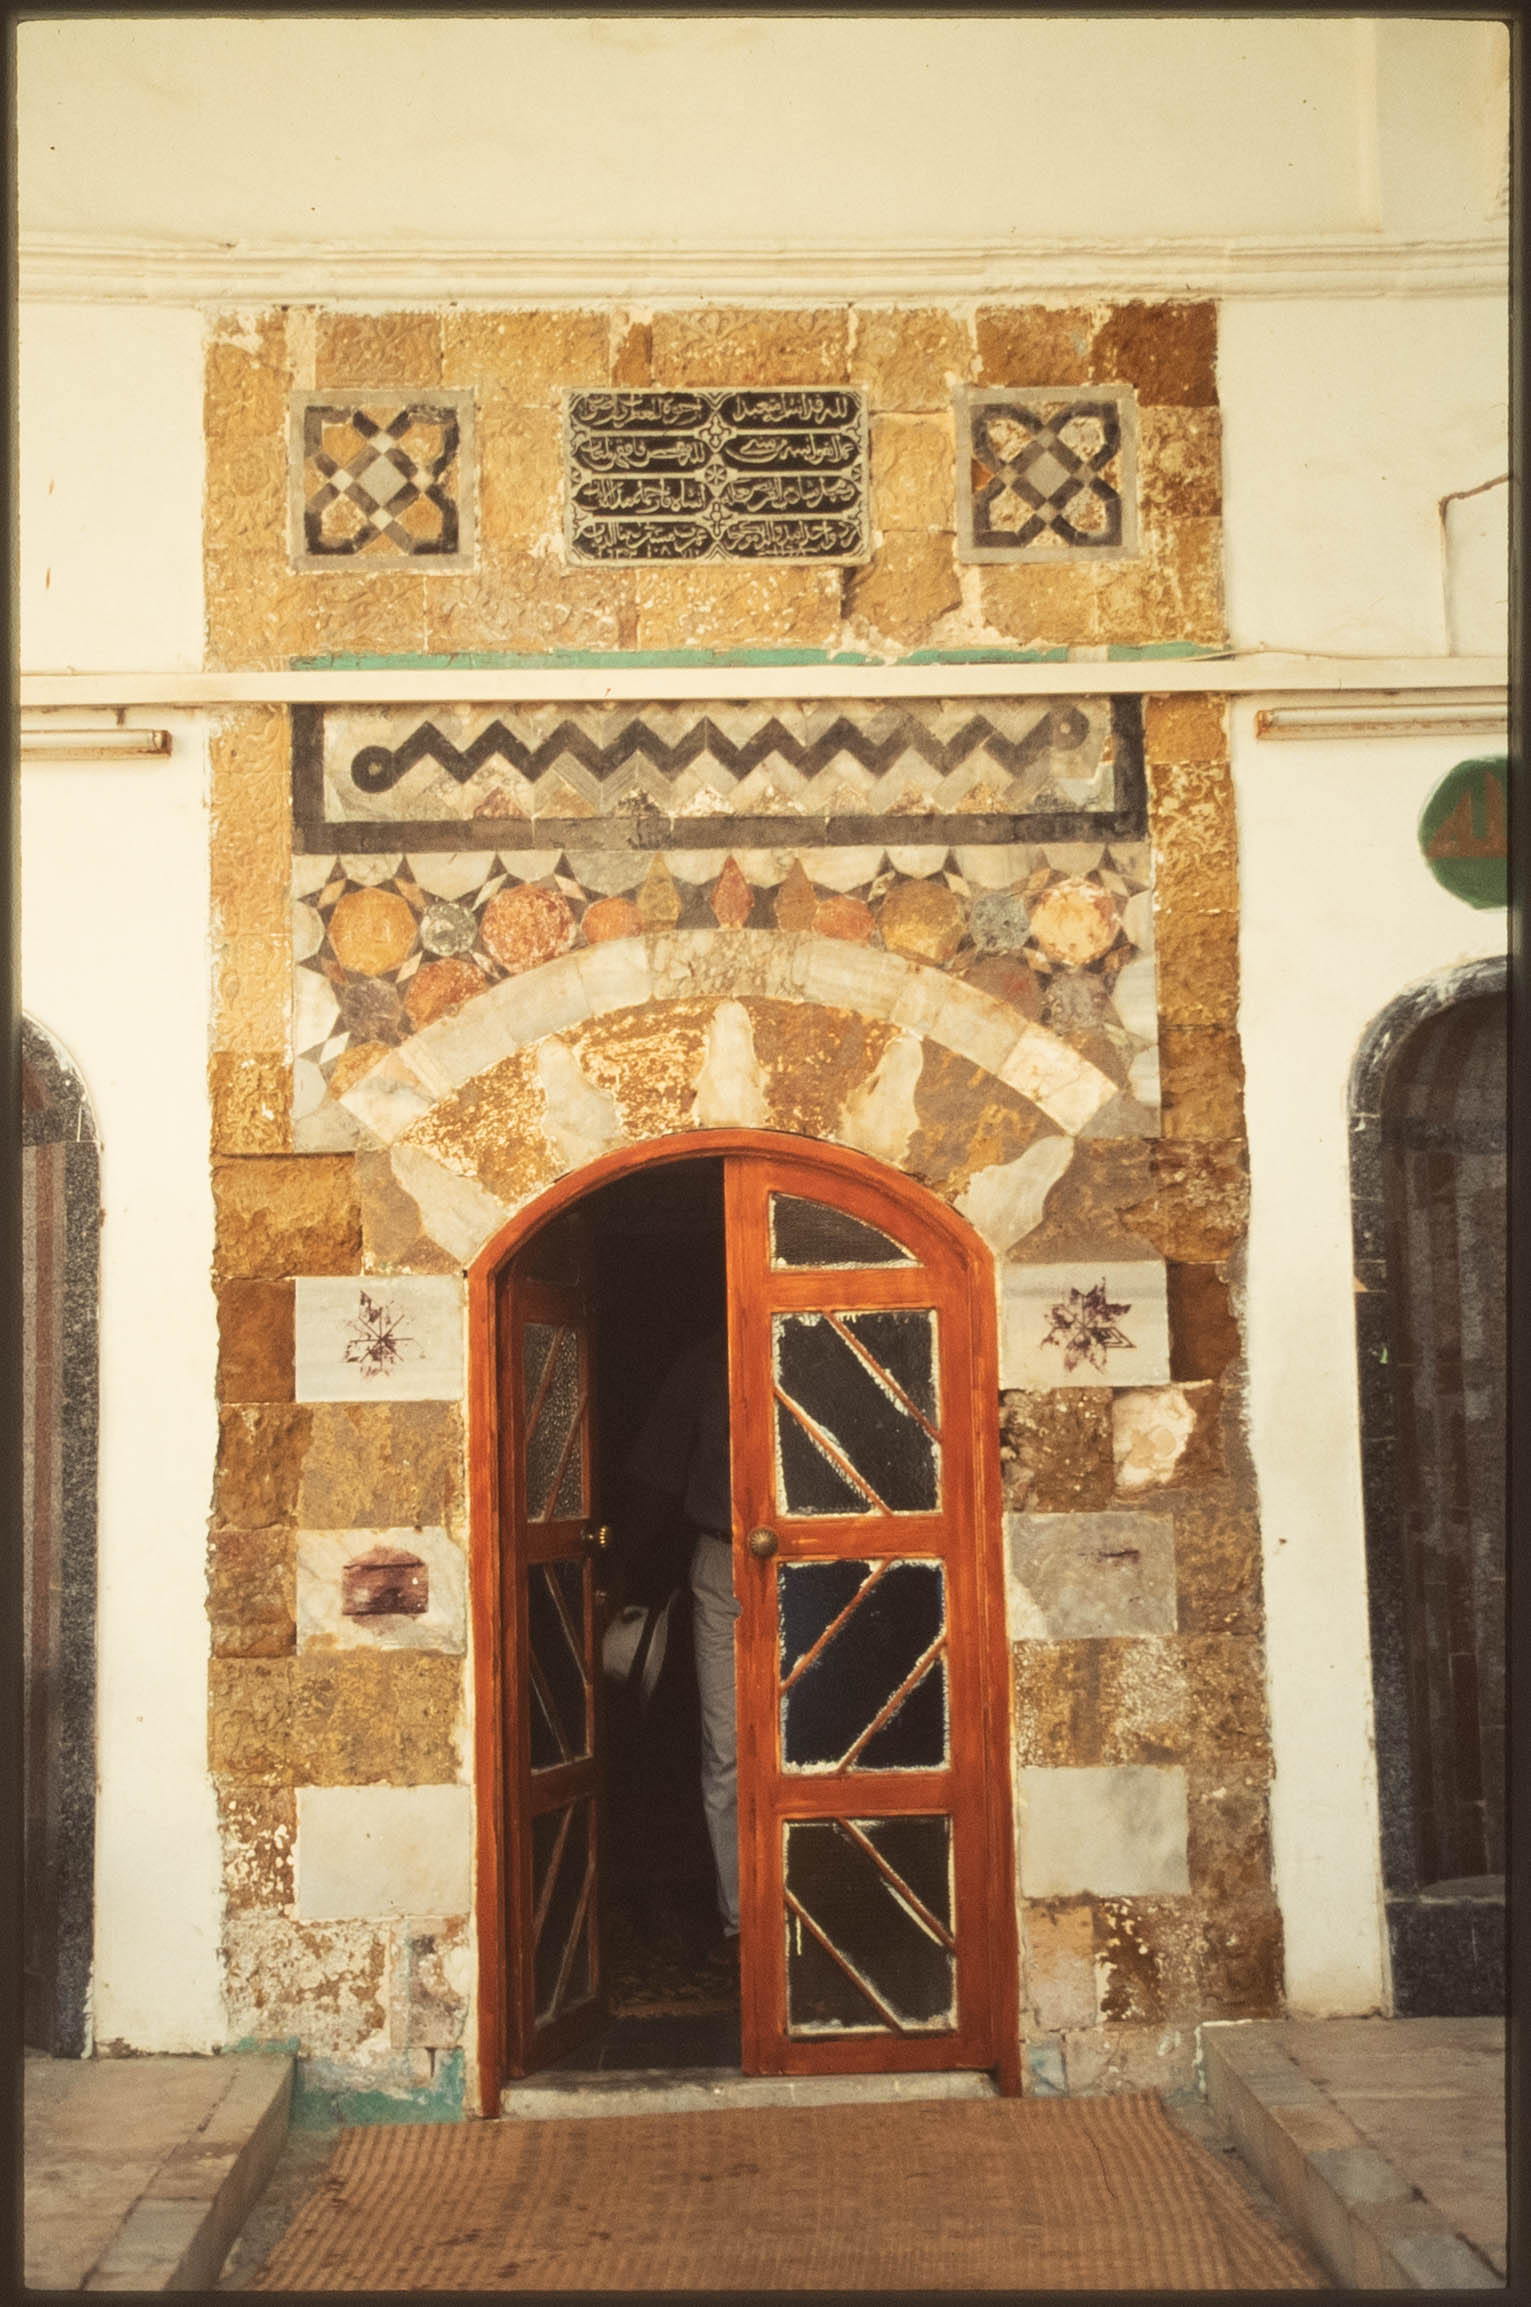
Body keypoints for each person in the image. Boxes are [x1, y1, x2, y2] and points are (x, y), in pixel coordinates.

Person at [625, 1326, 739, 1941]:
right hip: (723, 1559)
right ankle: (742, 1924)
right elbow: (658, 1477)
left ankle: (809, 1917)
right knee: (727, 1748)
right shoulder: (704, 1360)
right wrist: (623, 1578)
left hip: (814, 1557)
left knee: (820, 1741)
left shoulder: (816, 1341)